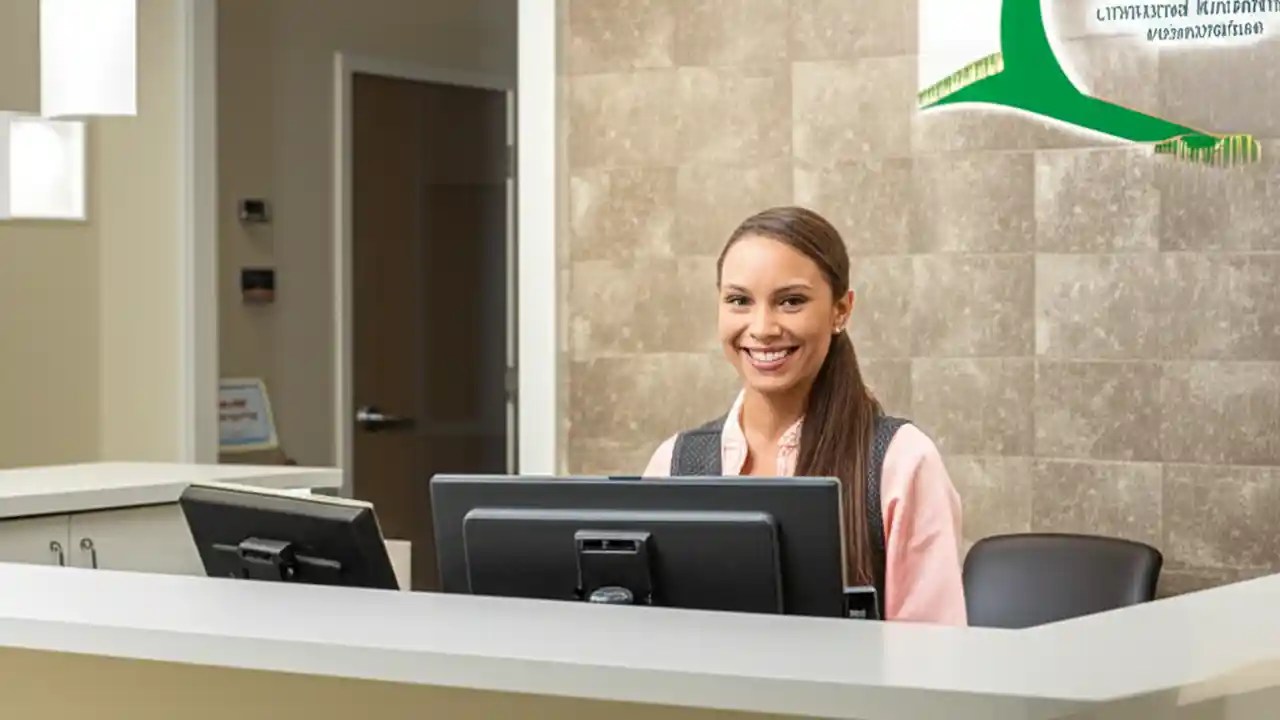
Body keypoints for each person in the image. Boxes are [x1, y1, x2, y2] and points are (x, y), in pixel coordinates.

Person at [642, 206, 967, 626]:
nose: (761, 327)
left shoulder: (901, 463)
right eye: (739, 301)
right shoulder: (674, 465)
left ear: (841, 310)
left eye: (790, 301)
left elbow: (932, 658)